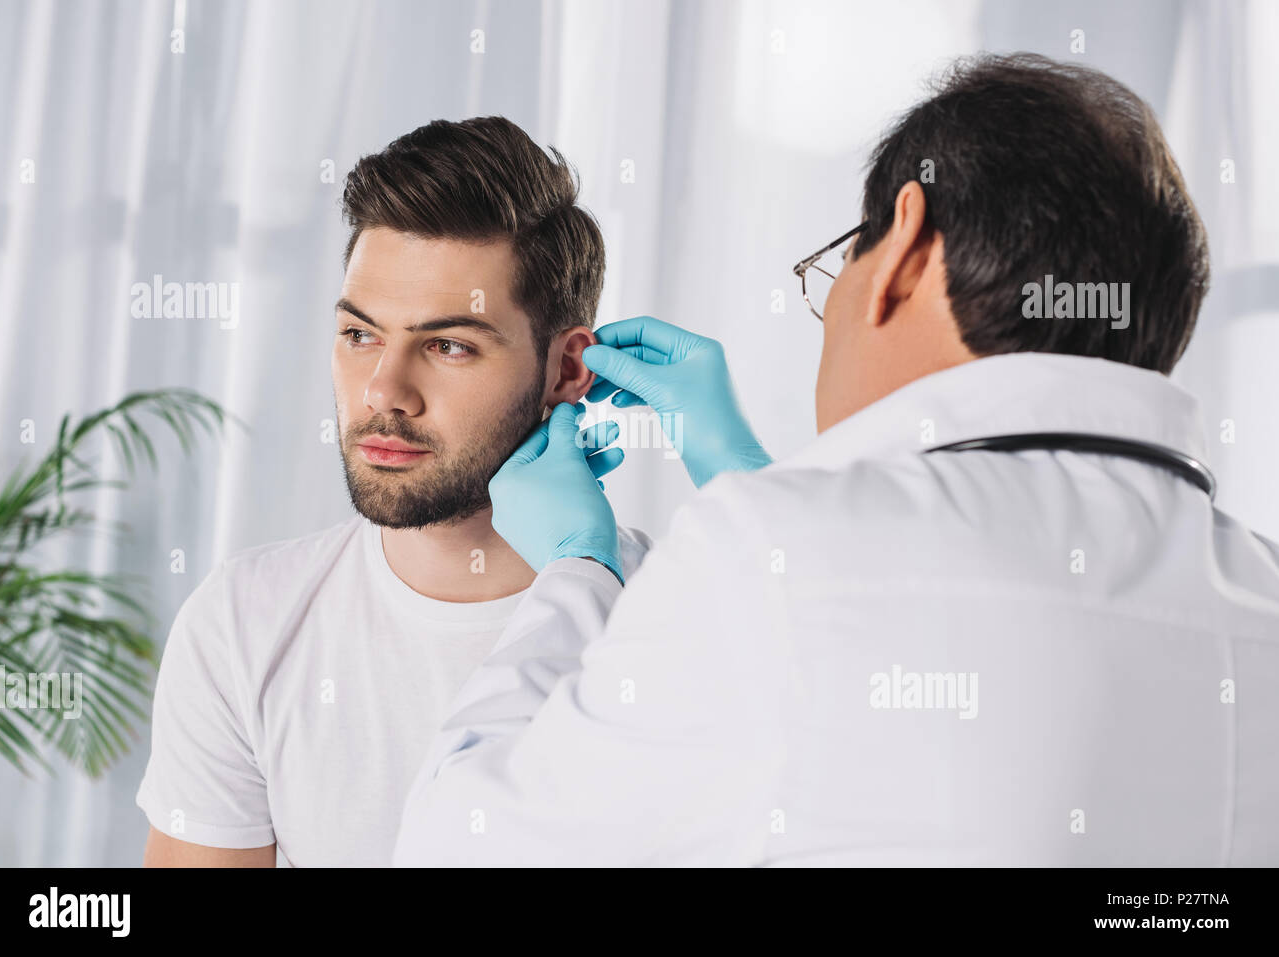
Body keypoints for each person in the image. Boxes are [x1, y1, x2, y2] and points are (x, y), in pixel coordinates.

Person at [392, 54, 1279, 866]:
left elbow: (458, 846)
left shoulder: (771, 562)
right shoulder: (1260, 590)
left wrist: (577, 571)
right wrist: (751, 488)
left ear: (904, 243)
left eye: (834, 268)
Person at [136, 117, 650, 866]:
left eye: (448, 345)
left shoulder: (675, 618)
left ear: (569, 368)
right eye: (360, 335)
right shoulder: (244, 625)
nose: (383, 391)